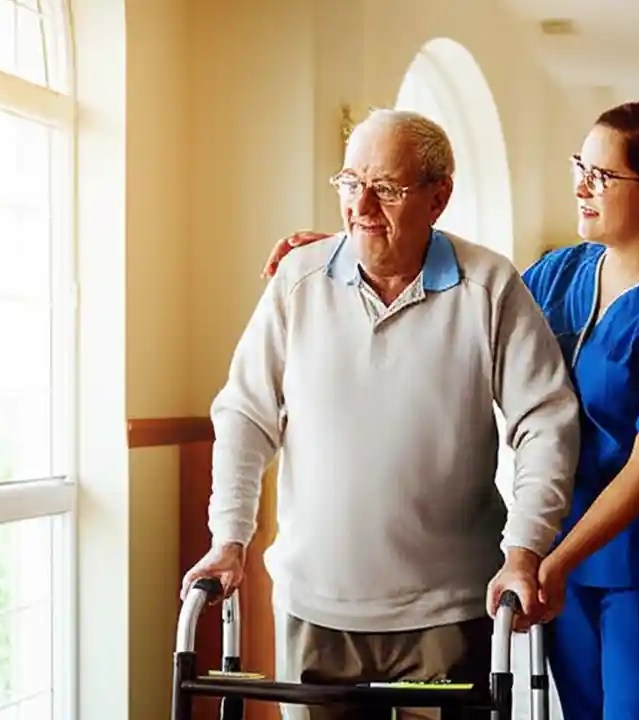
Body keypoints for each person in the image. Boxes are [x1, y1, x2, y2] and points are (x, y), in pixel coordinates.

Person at [261, 101, 639, 719]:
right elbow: (463, 289)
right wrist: (353, 242)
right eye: (581, 165)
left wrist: (546, 559)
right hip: (563, 548)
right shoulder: (561, 272)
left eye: (603, 176)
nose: (581, 185)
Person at [181, 108, 581, 720]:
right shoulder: (297, 280)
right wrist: (227, 538)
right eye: (349, 183)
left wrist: (523, 550)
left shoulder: (489, 286)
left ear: (438, 196)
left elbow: (545, 421)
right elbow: (244, 413)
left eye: (387, 189)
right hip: (316, 608)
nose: (362, 206)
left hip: (448, 612)